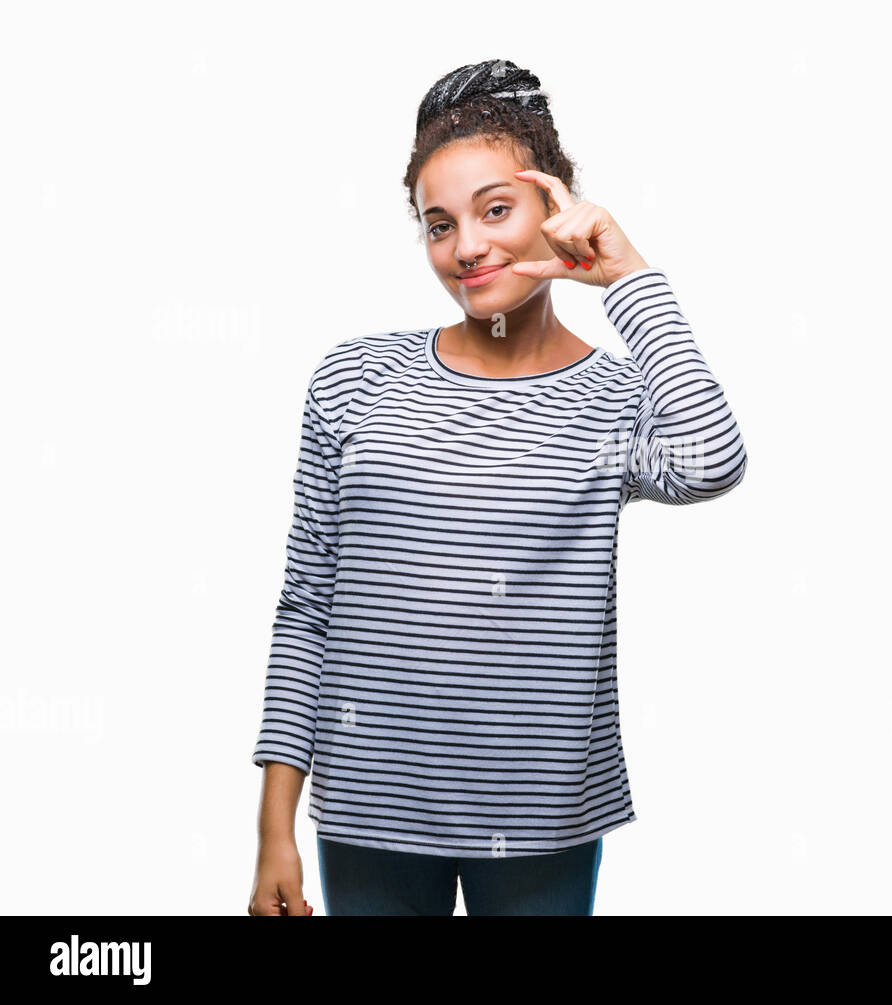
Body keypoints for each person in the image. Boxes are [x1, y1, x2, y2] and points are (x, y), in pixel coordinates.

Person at [247, 58, 747, 917]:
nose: (467, 247)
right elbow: (308, 604)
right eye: (439, 225)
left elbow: (711, 459)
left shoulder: (615, 398)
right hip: (370, 808)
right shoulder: (354, 380)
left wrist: (626, 277)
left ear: (557, 210)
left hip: (543, 814)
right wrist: (273, 831)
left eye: (496, 209)